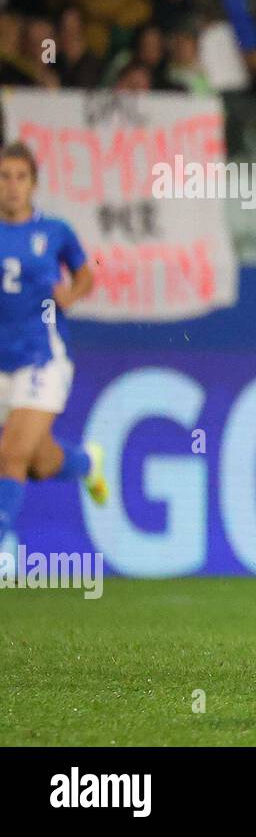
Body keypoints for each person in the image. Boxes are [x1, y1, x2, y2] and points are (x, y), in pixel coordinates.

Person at [0, 143, 108, 569]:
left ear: (34, 184)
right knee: (37, 461)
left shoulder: (55, 232)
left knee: (10, 455)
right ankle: (85, 463)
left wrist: (72, 294)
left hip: (42, 358)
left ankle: (3, 547)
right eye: (4, 177)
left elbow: (85, 274)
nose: (11, 186)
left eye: (19, 177)